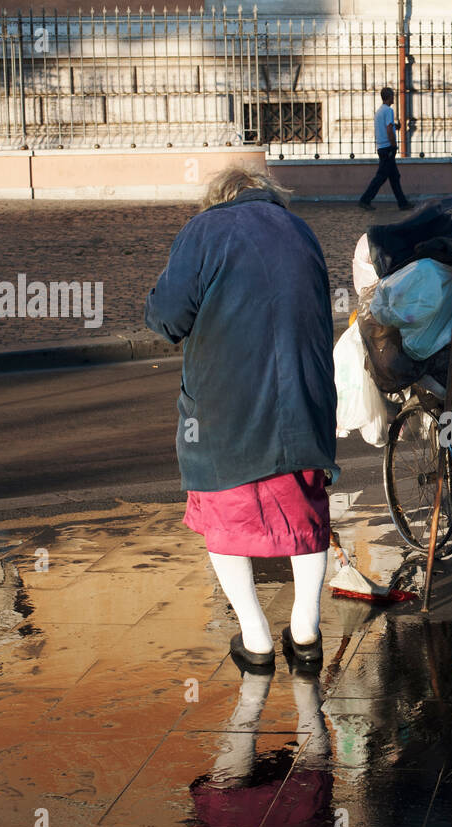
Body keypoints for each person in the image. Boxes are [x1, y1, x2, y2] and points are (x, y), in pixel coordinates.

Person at [144, 166, 339, 669]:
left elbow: (168, 317)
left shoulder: (205, 230)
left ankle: (255, 638)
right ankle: (306, 629)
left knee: (225, 510)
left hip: (226, 402)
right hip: (304, 395)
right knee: (305, 511)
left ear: (218, 198)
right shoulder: (301, 230)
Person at [358, 87, 413, 211]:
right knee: (381, 176)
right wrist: (394, 145)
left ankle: (402, 203)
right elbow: (388, 129)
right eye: (392, 96)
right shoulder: (388, 110)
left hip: (381, 147)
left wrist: (395, 126)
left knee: (394, 177)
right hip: (387, 147)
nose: (394, 98)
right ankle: (365, 200)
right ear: (389, 97)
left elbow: (388, 127)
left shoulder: (379, 111)